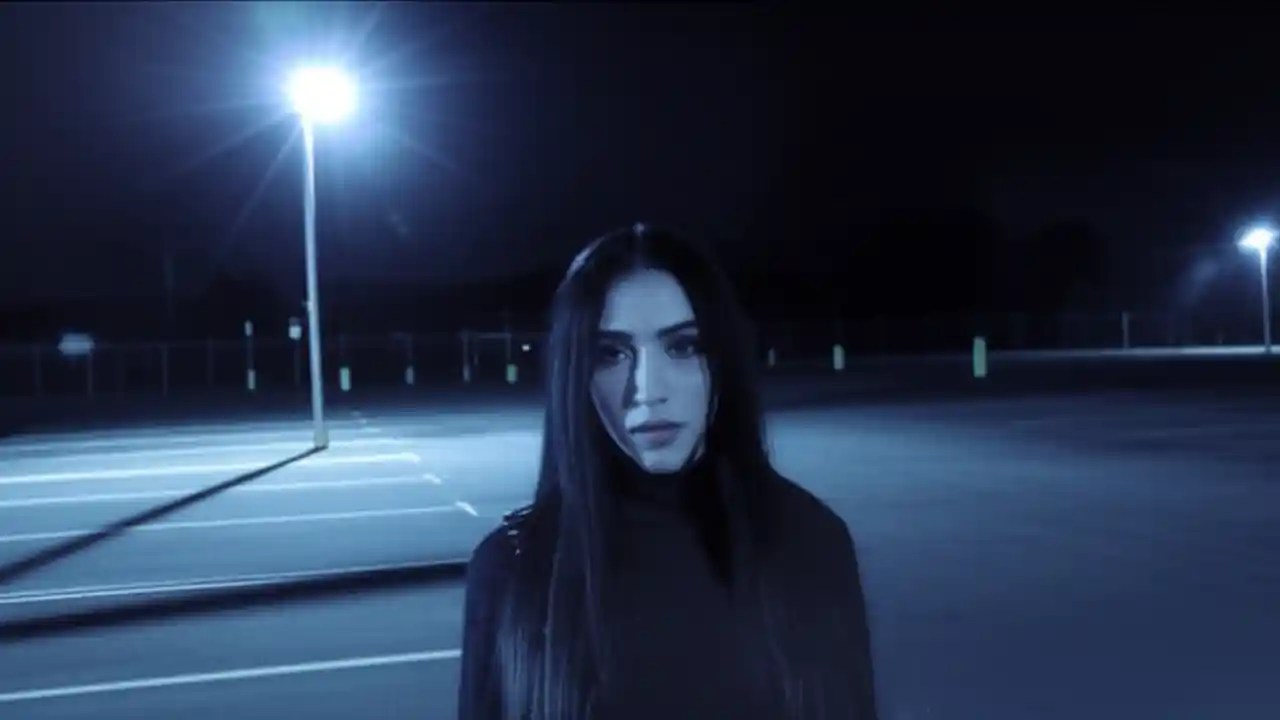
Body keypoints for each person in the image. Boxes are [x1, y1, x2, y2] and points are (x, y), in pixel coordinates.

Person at [458, 223, 878, 720]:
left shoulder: (811, 541)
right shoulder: (512, 569)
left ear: (722, 358)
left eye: (682, 347)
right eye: (610, 354)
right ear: (574, 374)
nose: (648, 389)